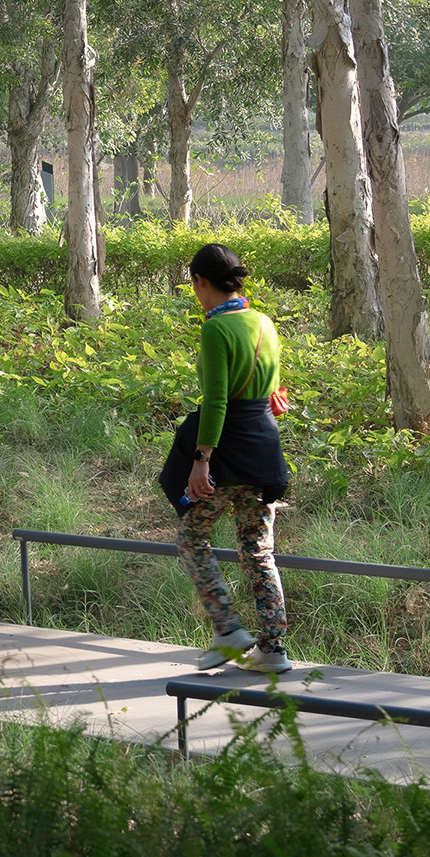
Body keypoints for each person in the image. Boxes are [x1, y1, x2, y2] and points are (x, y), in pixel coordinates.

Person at [160, 242, 293, 673]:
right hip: (264, 446)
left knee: (192, 539)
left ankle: (227, 629)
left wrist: (201, 461)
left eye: (193, 286)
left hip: (228, 449)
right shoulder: (264, 322)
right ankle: (273, 649)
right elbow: (272, 391)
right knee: (257, 550)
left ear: (201, 282)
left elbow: (216, 402)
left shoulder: (216, 329)